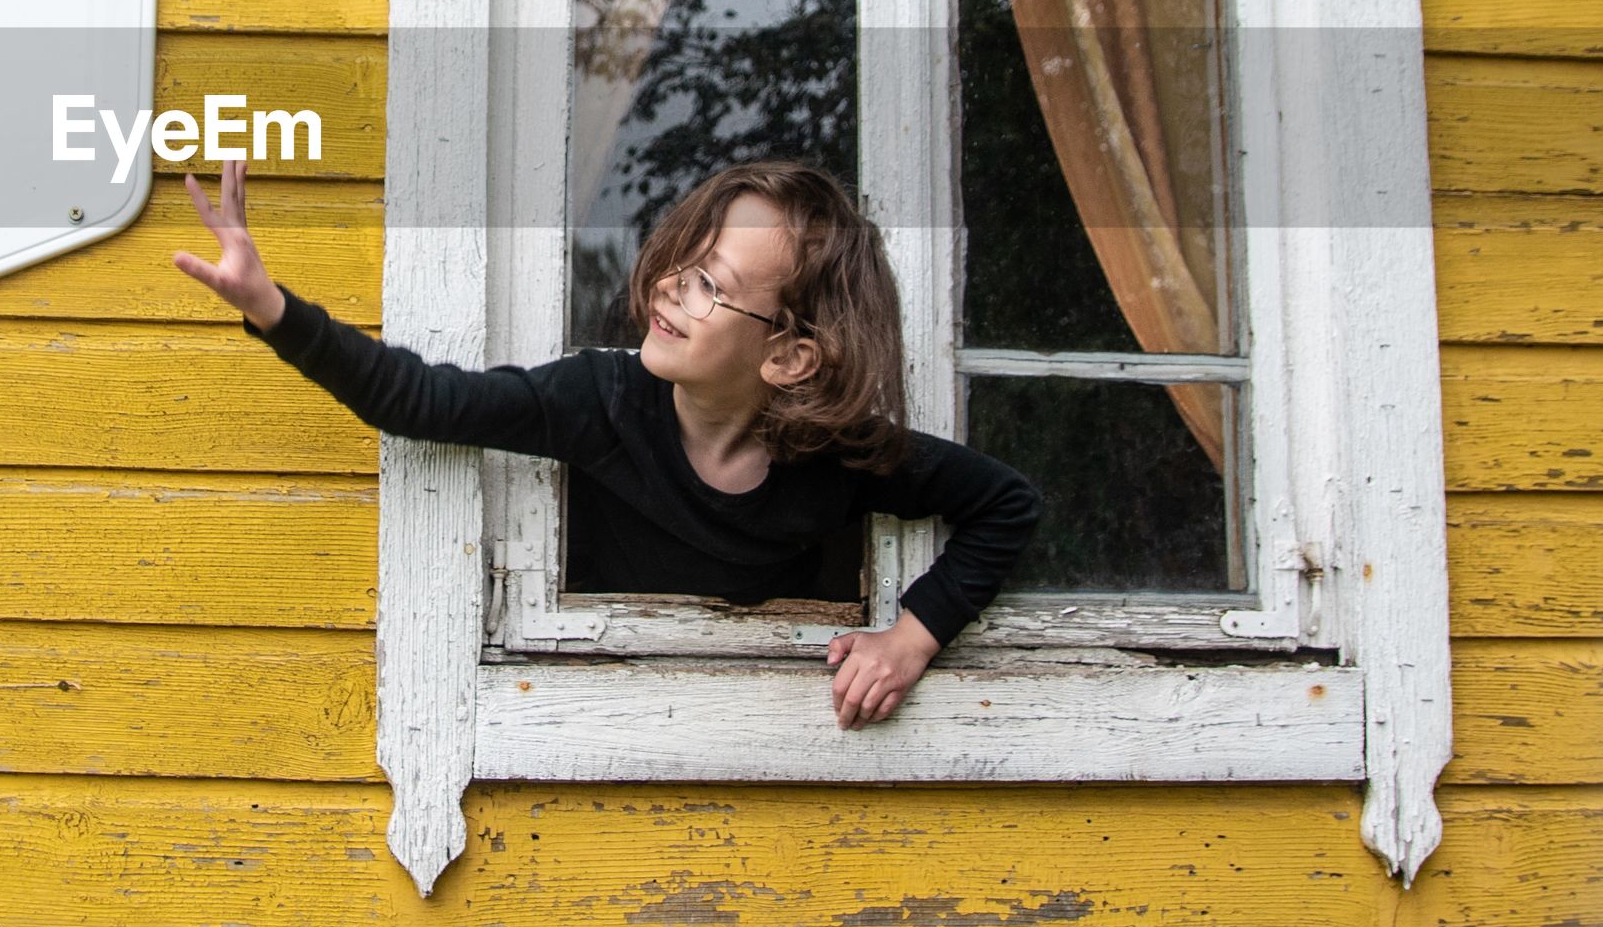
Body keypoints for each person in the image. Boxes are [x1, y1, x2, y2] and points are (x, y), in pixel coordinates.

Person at [172, 155, 1043, 732]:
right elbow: (425, 400)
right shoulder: (601, 400)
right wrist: (274, 310)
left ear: (788, 356)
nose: (669, 288)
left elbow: (1005, 503)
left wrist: (912, 637)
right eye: (680, 262)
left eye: (710, 286)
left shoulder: (838, 460)